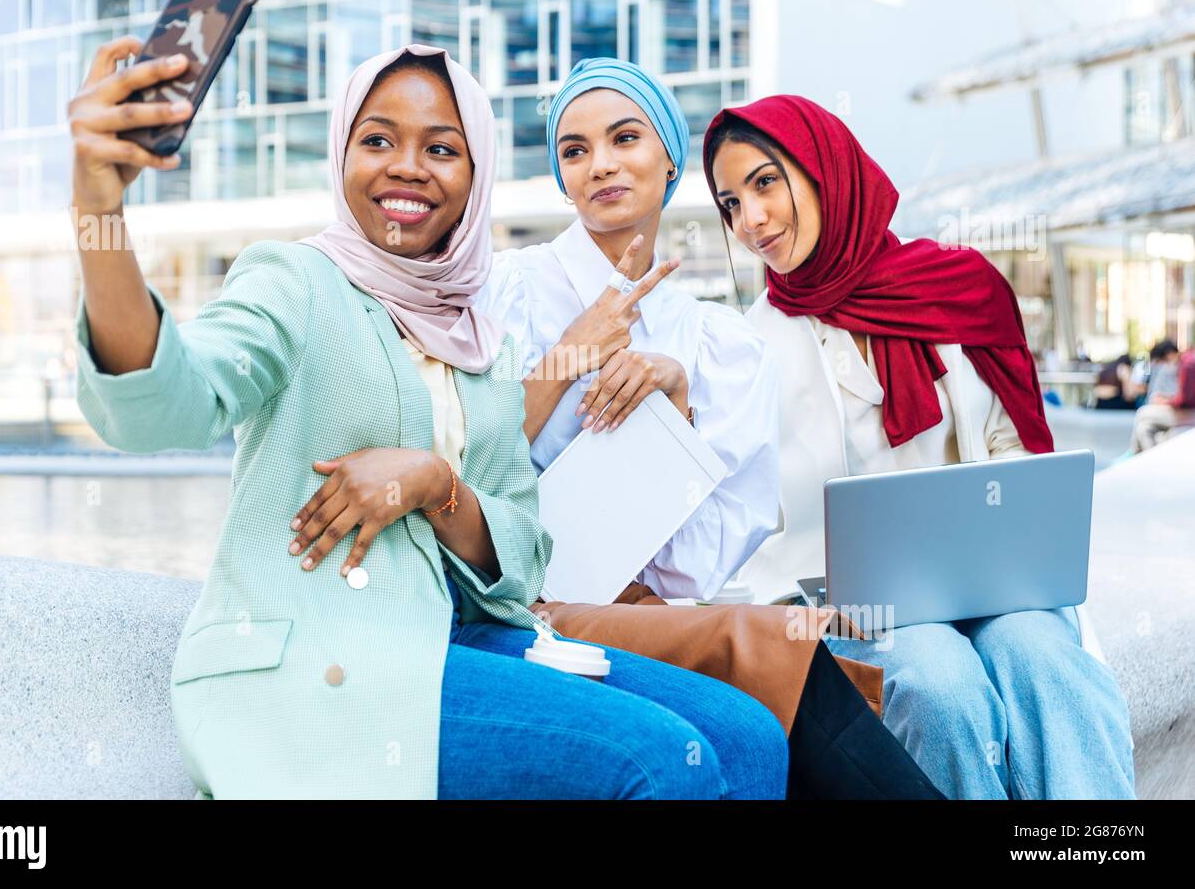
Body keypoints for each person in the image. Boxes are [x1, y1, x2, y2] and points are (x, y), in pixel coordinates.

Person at [68, 39, 788, 799]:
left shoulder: (477, 330)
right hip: (322, 657)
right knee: (662, 759)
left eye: (442, 148)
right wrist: (99, 212)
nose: (408, 166)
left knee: (750, 737)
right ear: (342, 157)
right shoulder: (294, 281)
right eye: (377, 139)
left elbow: (519, 544)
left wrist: (435, 482)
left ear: (475, 177)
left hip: (454, 636)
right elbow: (167, 403)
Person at [402, 57, 938, 798]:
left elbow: (690, 570)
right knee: (774, 650)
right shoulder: (505, 289)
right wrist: (569, 356)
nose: (601, 165)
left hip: (629, 605)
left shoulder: (716, 345)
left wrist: (674, 409)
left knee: (777, 653)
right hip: (513, 595)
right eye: (575, 150)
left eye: (625, 138)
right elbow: (460, 463)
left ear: (669, 159)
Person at [706, 94, 1136, 799]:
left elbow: (1012, 442)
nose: (750, 219)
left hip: (997, 583)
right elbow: (745, 525)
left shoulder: (956, 290)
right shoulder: (747, 346)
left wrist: (1008, 529)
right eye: (729, 202)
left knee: (1047, 664)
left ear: (824, 172)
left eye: (764, 182)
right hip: (858, 611)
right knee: (939, 683)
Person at [1130, 340, 1195, 452]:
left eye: (1163, 362)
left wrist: (1163, 401)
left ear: (1169, 355)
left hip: (1189, 413)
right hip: (1186, 410)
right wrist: (1167, 397)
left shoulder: (1187, 365)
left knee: (1142, 412)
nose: (1164, 367)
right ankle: (1149, 461)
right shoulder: (1187, 362)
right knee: (1143, 428)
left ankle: (1132, 453)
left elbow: (1184, 400)